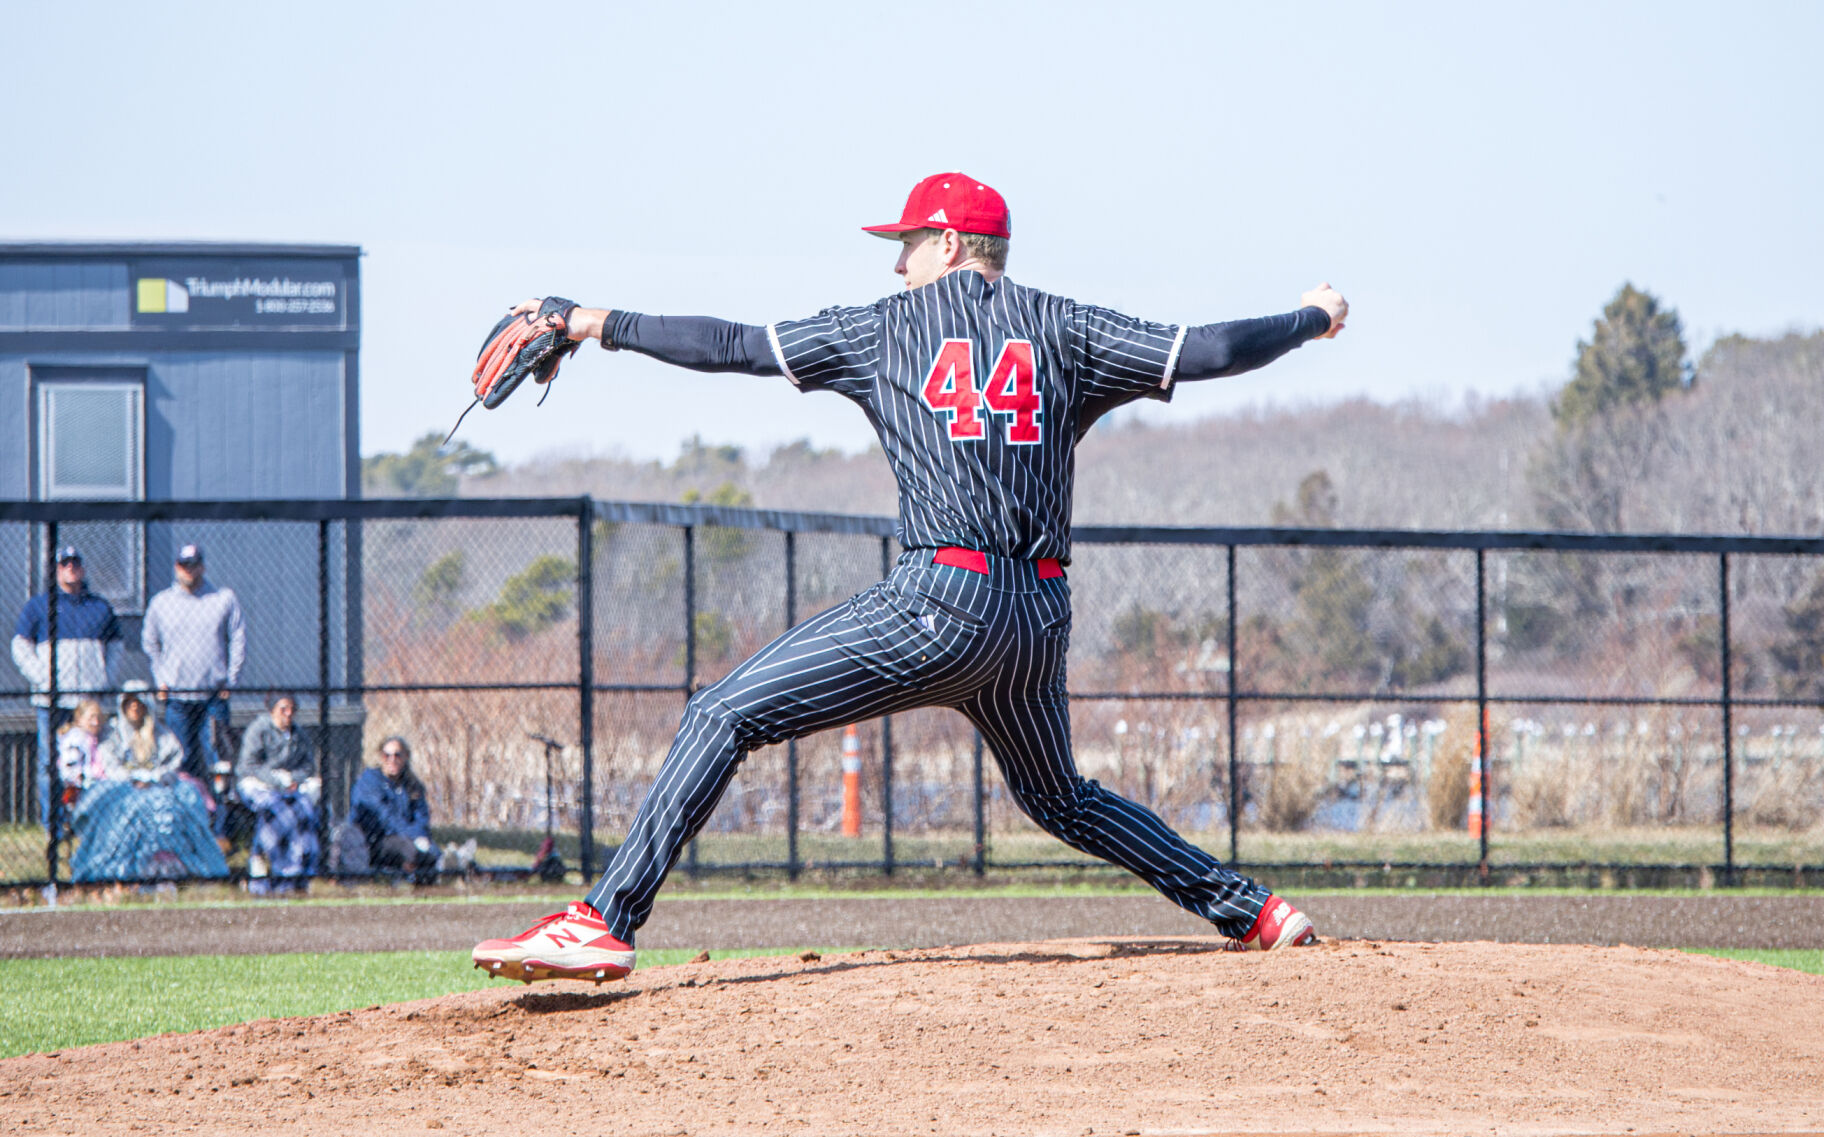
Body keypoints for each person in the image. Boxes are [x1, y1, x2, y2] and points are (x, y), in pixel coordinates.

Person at [473, 172, 1348, 984]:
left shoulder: (883, 328)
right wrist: (1311, 316)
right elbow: (1212, 348)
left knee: (721, 710)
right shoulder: (1066, 327)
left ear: (953, 245)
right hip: (1036, 617)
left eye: (908, 242)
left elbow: (731, 345)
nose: (896, 262)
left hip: (940, 602)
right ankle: (1256, 911)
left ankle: (604, 917)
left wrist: (591, 320)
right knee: (1060, 797)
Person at [11, 546, 123, 827]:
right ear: (57, 570)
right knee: (52, 764)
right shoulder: (39, 605)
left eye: (75, 564)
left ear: (82, 569)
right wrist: (43, 678)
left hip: (87, 705)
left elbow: (116, 646)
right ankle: (54, 826)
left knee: (92, 763)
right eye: (64, 564)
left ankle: (86, 822)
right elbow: (20, 647)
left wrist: (103, 679)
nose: (70, 569)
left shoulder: (100, 607)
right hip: (51, 702)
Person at [72, 683, 228, 883]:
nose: (135, 709)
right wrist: (135, 777)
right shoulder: (113, 733)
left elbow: (174, 758)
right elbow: (110, 766)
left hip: (159, 784)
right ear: (123, 707)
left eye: (139, 704)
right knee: (131, 809)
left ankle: (174, 862)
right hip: (125, 786)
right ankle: (127, 866)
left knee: (183, 798)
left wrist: (156, 776)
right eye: (130, 704)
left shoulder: (159, 731)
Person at [141, 543, 246, 784]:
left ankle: (220, 820)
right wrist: (160, 679)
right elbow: (150, 642)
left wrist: (232, 678)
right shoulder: (161, 602)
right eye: (184, 565)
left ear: (203, 567)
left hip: (213, 697)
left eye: (194, 564)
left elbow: (238, 637)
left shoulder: (222, 598)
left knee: (219, 761)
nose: (189, 570)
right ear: (177, 567)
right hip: (177, 697)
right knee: (180, 762)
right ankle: (184, 818)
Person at [236, 693, 321, 894]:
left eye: (292, 709)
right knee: (273, 808)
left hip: (291, 786)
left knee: (304, 810)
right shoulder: (259, 729)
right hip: (259, 784)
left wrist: (293, 779)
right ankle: (271, 864)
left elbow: (308, 766)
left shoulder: (298, 734)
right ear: (272, 710)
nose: (288, 714)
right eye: (283, 708)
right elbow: (249, 765)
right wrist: (277, 780)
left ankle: (297, 872)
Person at [351, 736, 439, 883]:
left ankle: (445, 869)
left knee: (432, 851)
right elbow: (386, 818)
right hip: (375, 840)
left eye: (397, 755)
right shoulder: (369, 781)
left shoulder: (412, 784)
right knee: (409, 849)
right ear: (380, 757)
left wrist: (420, 836)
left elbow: (421, 816)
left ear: (406, 757)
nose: (392, 760)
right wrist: (413, 837)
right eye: (387, 755)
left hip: (405, 836)